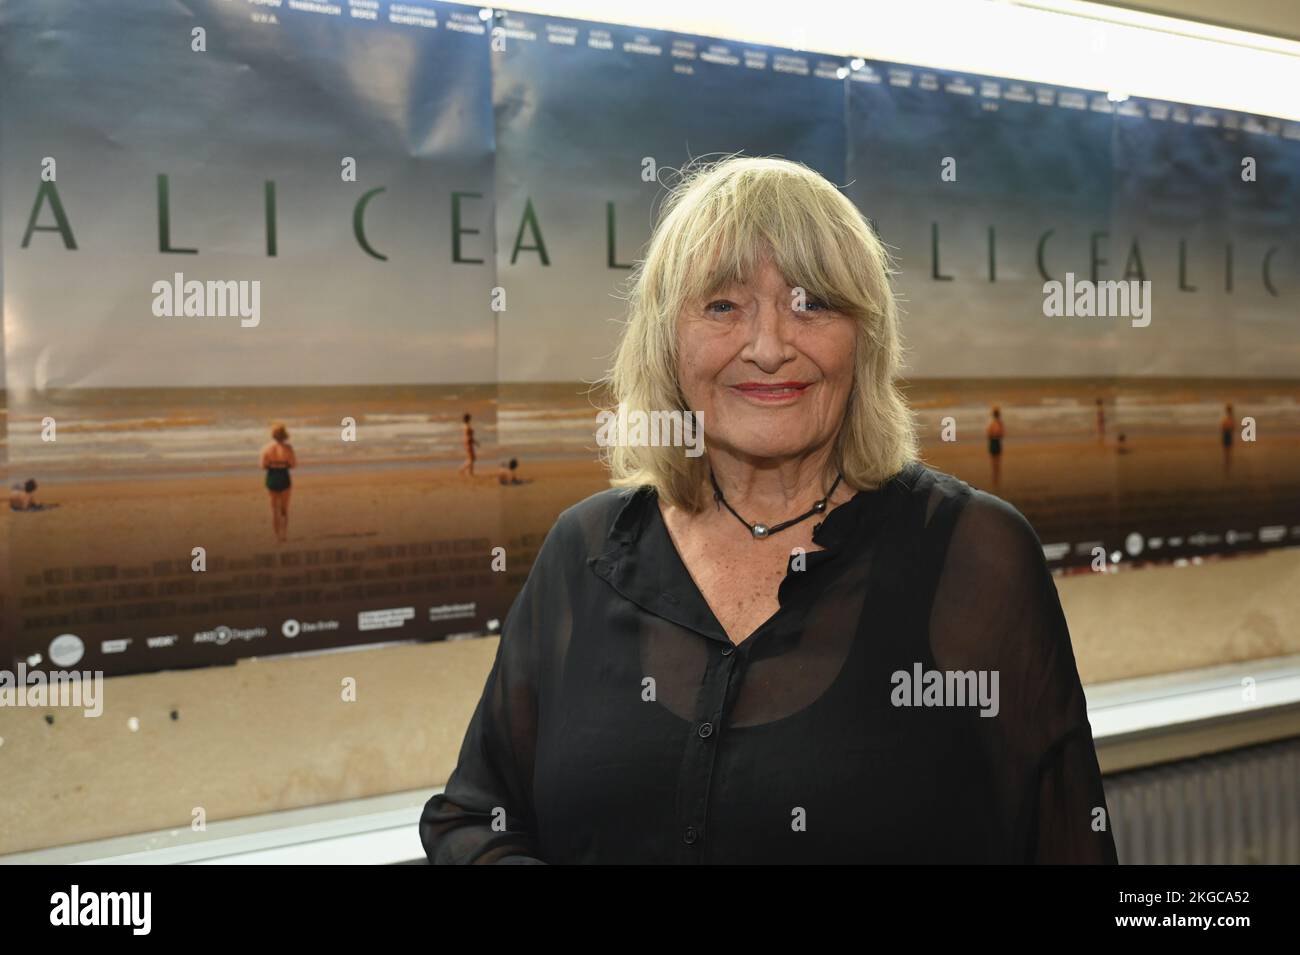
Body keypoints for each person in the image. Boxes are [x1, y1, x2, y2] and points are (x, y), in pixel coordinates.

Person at [420, 156, 1117, 864]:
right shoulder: (588, 551)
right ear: (668, 341)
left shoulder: (976, 555)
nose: (769, 347)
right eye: (723, 306)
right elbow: (472, 818)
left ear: (863, 340)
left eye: (812, 303)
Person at [260, 423, 297, 543]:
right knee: (284, 509)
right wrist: (283, 464)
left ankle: (276, 536)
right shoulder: (288, 448)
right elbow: (293, 464)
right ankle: (284, 535)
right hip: (283, 475)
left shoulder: (267, 448)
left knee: (274, 509)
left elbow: (263, 465)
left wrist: (272, 464)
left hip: (272, 476)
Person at [986, 405, 1005, 489]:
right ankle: (996, 480)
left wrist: (993, 435)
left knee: (994, 463)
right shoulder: (999, 423)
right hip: (996, 442)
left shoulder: (992, 423)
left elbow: (988, 433)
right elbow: (1002, 434)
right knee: (997, 463)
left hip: (993, 442)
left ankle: (995, 480)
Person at [459, 413, 479, 478]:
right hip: (468, 442)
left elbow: (469, 436)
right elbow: (469, 436)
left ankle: (470, 472)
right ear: (468, 419)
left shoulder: (466, 425)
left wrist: (474, 442)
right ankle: (462, 469)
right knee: (472, 458)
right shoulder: (467, 426)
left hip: (468, 442)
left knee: (471, 458)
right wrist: (475, 442)